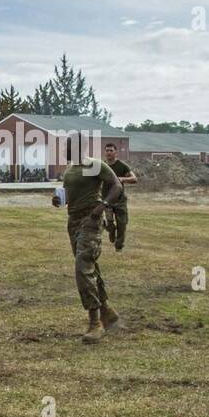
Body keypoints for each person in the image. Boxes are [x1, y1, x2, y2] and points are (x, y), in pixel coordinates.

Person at [53, 134, 123, 343]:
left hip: (90, 221)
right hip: (73, 222)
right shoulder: (69, 170)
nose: (64, 148)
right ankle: (107, 311)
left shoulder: (95, 165)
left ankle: (95, 323)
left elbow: (117, 186)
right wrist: (58, 199)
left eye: (67, 145)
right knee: (90, 267)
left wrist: (103, 206)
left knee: (82, 267)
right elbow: (67, 196)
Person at [101, 141, 137, 250]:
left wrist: (122, 179)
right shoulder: (102, 166)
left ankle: (119, 245)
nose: (109, 152)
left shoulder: (122, 166)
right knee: (109, 222)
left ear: (116, 152)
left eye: (111, 150)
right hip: (107, 200)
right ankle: (111, 231)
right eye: (107, 150)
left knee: (122, 224)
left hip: (120, 200)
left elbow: (134, 179)